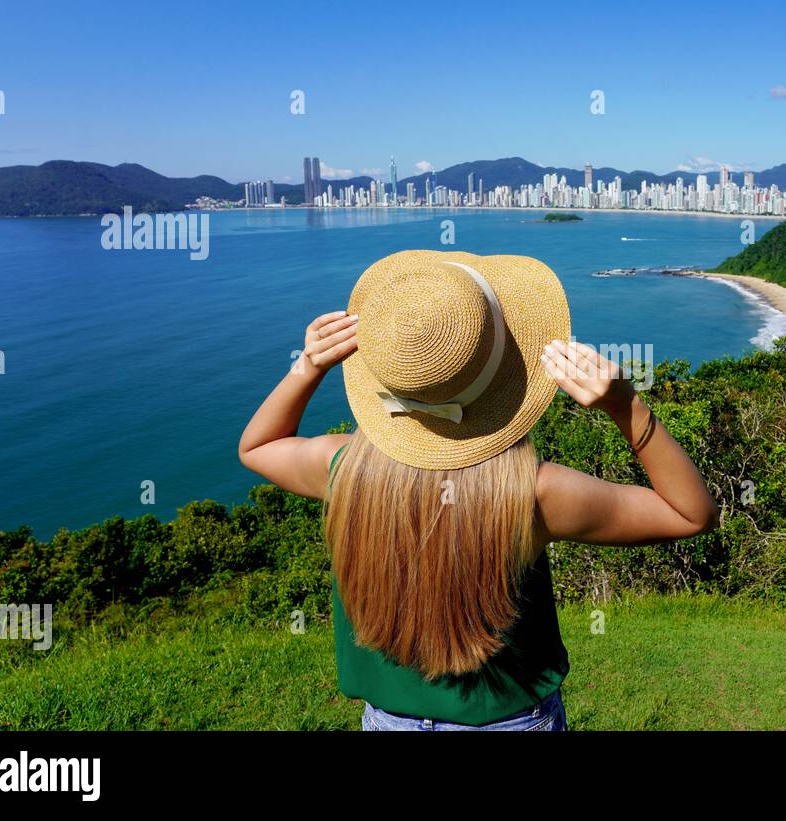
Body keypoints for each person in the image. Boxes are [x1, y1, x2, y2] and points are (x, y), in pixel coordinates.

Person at [238, 250, 717, 731]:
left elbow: (258, 446)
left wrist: (308, 366)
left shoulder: (343, 468)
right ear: (509, 368)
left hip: (388, 722)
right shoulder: (535, 494)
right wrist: (625, 405)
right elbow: (689, 514)